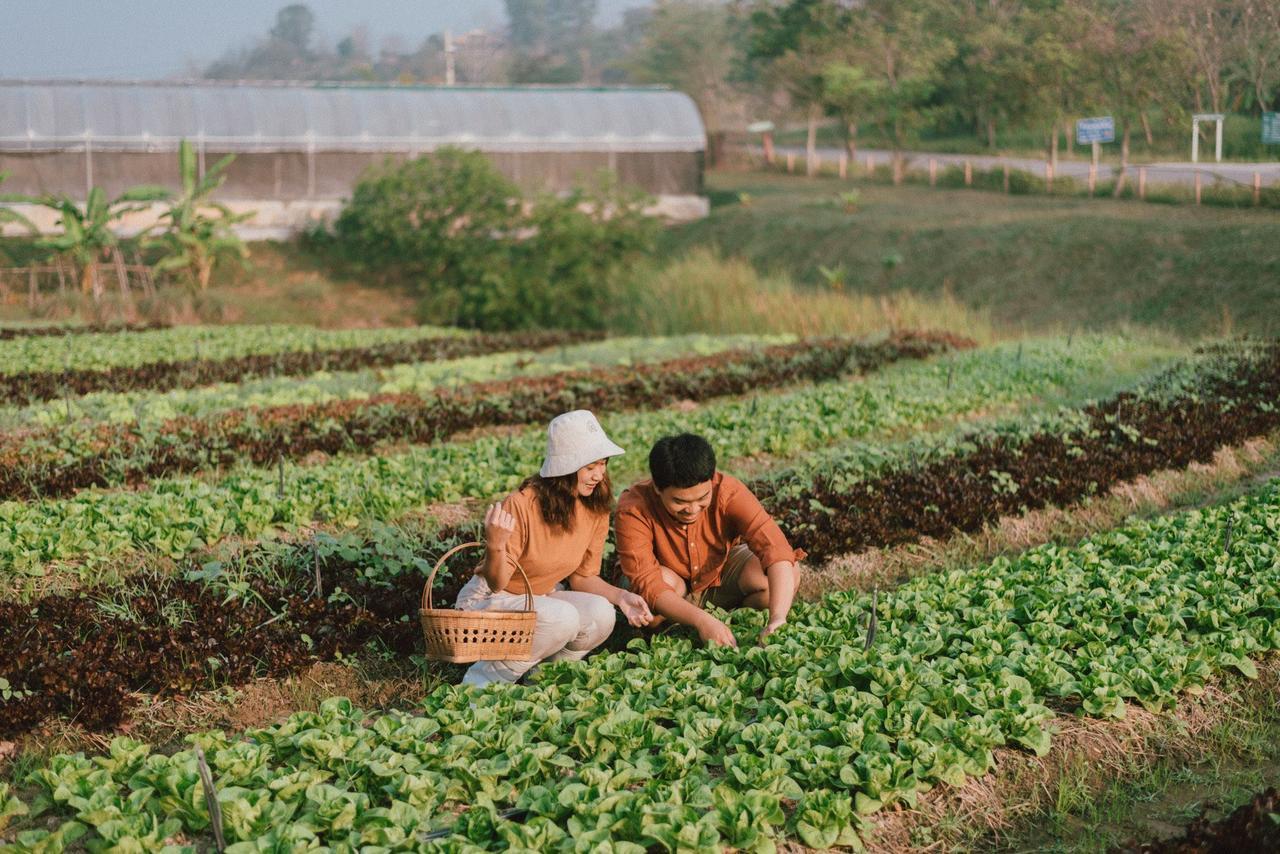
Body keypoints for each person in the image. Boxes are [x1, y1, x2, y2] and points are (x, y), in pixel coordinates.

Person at [457, 409, 653, 687]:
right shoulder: (522, 505)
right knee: (561, 617)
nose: (599, 474)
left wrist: (621, 597)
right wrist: (496, 545)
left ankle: (541, 682)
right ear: (566, 469)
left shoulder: (595, 508)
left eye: (603, 463)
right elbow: (498, 582)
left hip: (541, 600)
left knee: (601, 613)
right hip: (491, 601)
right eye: (590, 466)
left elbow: (582, 578)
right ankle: (480, 685)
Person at [616, 433, 803, 647]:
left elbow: (775, 548)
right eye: (680, 501)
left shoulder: (728, 490)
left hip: (716, 575)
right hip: (670, 588)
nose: (693, 510)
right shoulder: (634, 507)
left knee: (789, 570)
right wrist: (702, 621)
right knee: (659, 589)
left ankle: (729, 620)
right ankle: (683, 626)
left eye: (703, 498)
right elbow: (648, 585)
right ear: (658, 488)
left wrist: (778, 618)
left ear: (712, 480)